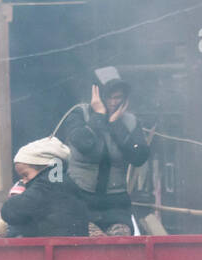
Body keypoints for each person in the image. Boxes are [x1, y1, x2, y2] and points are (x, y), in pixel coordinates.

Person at [57, 70, 150, 236]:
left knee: (119, 248)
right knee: (85, 247)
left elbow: (139, 157)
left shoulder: (130, 121)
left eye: (118, 97)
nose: (113, 102)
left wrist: (116, 125)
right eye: (109, 97)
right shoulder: (79, 114)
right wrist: (99, 116)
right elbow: (83, 143)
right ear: (97, 95)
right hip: (80, 199)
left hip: (115, 204)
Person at [0, 137, 88, 238]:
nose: (24, 181)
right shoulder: (62, 181)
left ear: (44, 167)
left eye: (26, 175)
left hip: (53, 246)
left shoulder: (49, 184)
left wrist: (11, 201)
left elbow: (12, 210)